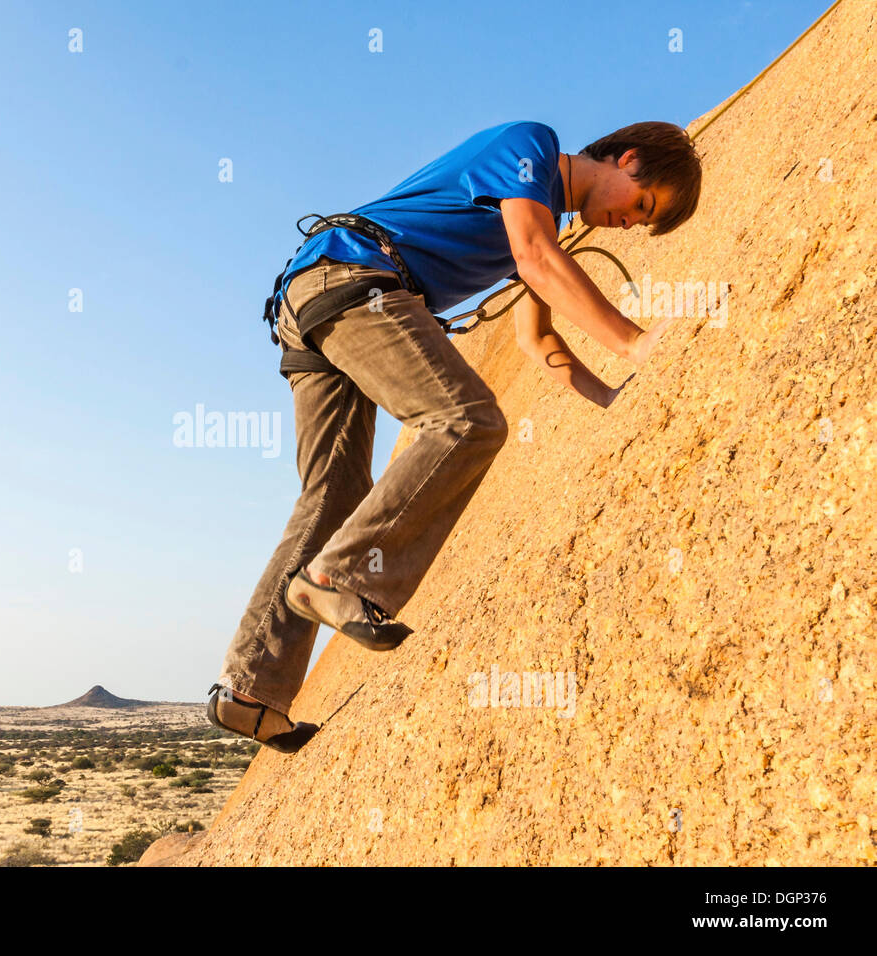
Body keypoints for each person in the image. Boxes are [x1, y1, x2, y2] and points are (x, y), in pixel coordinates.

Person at [207, 120, 703, 753]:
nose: (630, 223)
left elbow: (537, 339)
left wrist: (612, 396)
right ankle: (339, 578)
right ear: (626, 158)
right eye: (641, 205)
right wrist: (637, 343)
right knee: (466, 421)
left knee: (332, 496)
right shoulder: (533, 148)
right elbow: (536, 261)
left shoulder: (538, 222)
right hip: (354, 281)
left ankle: (249, 694)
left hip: (311, 298)